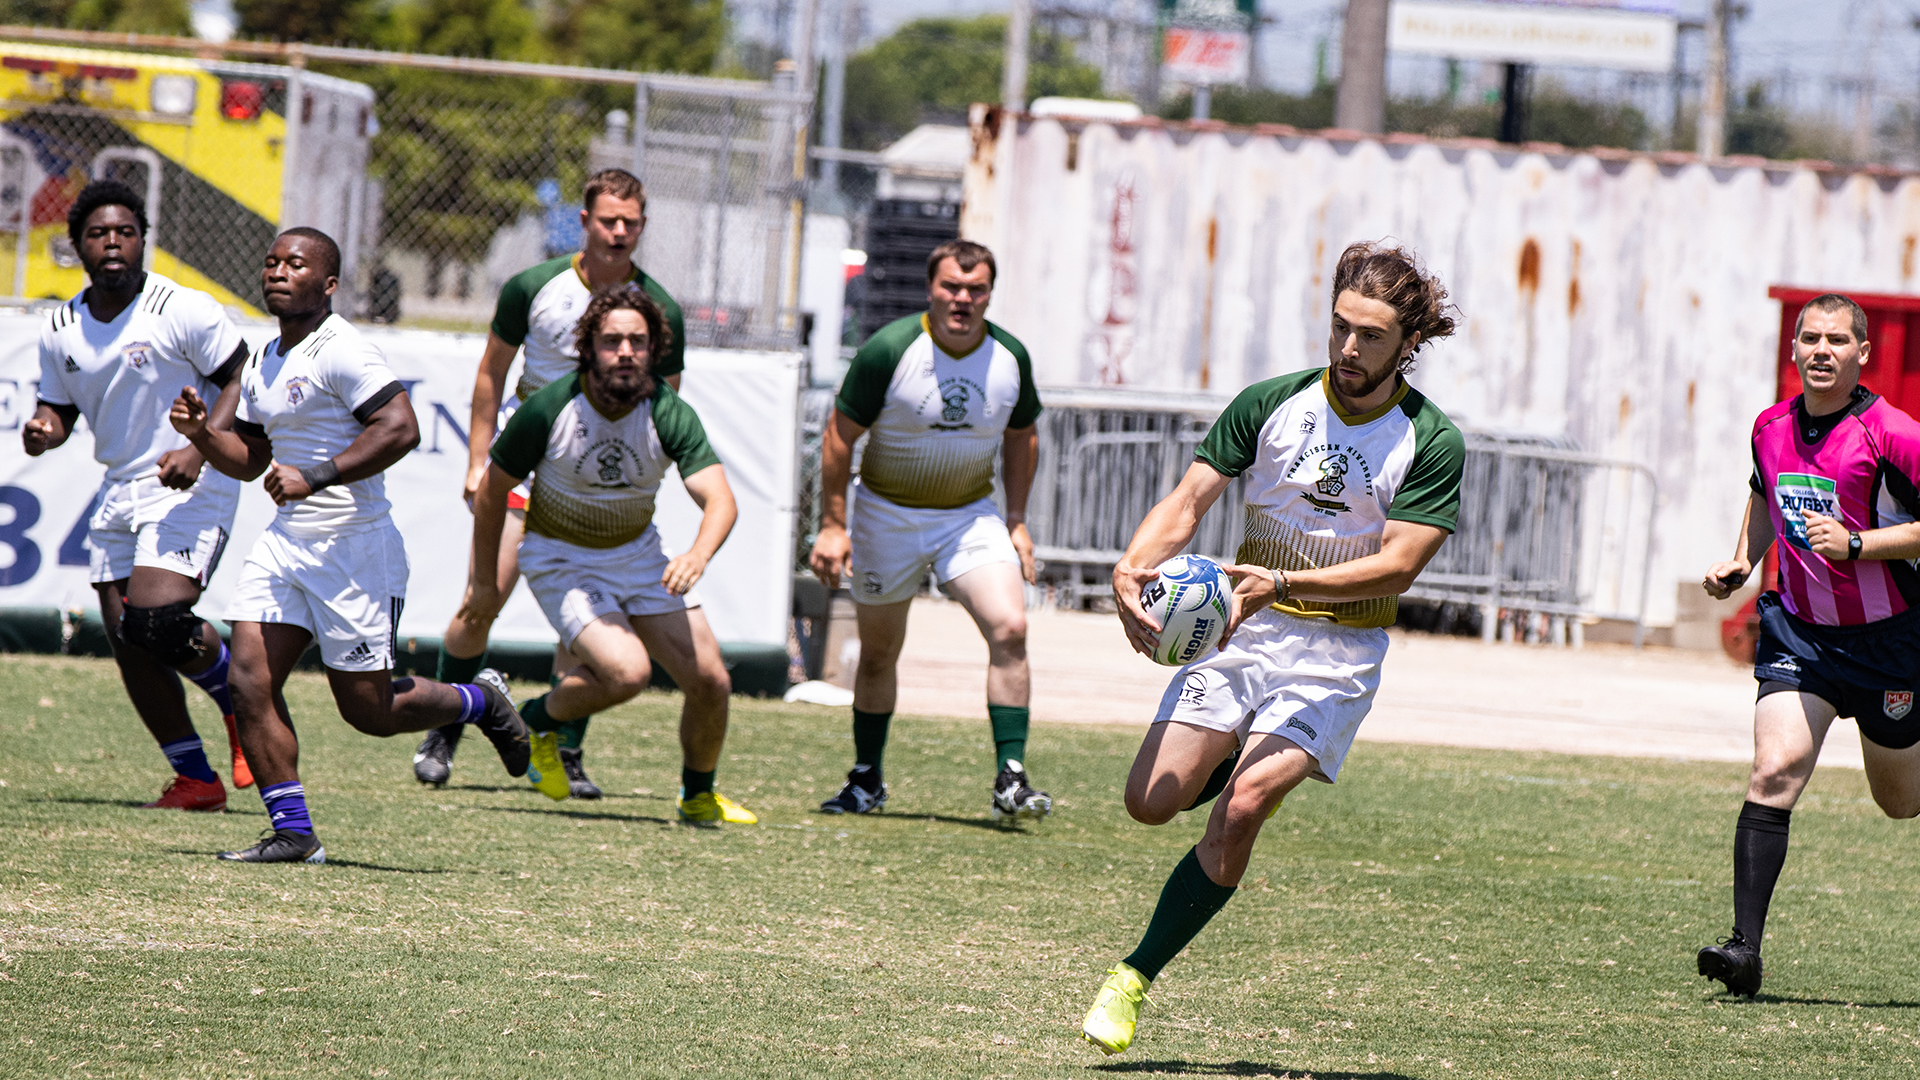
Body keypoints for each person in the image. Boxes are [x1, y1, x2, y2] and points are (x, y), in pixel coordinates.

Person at [1078, 241, 1465, 1055]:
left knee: (1243, 808)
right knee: (1149, 801)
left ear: (1408, 345)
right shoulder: (1272, 403)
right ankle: (1224, 756)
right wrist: (1133, 566)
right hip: (1243, 629)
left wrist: (1279, 587)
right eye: (1340, 329)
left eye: (1371, 337)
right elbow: (1188, 499)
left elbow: (1397, 564)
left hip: (1339, 652)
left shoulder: (1429, 440)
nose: (1349, 350)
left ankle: (1134, 975)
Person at [168, 228, 533, 864]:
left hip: (355, 549)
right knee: (250, 680)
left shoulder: (344, 351)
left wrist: (317, 474)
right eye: (272, 261)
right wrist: (203, 434)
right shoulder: (263, 359)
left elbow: (402, 427)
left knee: (369, 710)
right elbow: (252, 457)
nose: (279, 271)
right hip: (286, 546)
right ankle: (293, 832)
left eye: (297, 264)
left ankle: (479, 700)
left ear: (329, 284)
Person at [414, 168, 688, 799]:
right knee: (484, 597)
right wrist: (477, 460)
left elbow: (667, 406)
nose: (619, 232)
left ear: (642, 226)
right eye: (607, 220)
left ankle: (563, 748)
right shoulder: (535, 287)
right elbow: (491, 375)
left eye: (631, 222)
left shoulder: (659, 308)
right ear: (585, 222)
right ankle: (448, 725)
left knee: (589, 615)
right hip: (528, 457)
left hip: (598, 472)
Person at [459, 283, 755, 824]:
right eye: (612, 340)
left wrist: (698, 554)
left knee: (712, 680)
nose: (625, 352)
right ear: (588, 346)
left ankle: (697, 796)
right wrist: (483, 581)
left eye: (638, 342)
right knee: (627, 672)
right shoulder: (551, 407)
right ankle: (533, 718)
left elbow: (721, 500)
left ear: (654, 349)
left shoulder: (668, 412)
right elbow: (492, 491)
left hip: (639, 558)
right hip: (560, 559)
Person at [1696, 293, 1920, 998]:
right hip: (1799, 635)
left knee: (1900, 803)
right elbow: (1765, 495)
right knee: (1775, 769)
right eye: (1810, 339)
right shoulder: (1769, 426)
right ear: (1793, 350)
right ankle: (1744, 951)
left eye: (1837, 341)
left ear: (1863, 354)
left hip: (1890, 644)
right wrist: (1741, 559)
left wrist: (1858, 544)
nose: (1822, 351)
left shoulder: (1895, 434)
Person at [23, 179, 253, 811]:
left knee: (156, 620)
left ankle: (242, 702)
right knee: (128, 639)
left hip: (191, 477)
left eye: (125, 232)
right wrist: (46, 428)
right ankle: (196, 779)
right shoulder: (62, 326)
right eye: (99, 234)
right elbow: (59, 406)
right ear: (78, 247)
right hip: (121, 485)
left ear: (143, 240)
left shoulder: (182, 308)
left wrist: (200, 443)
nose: (114, 243)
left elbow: (241, 375)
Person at [807, 239, 1049, 820]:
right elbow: (839, 437)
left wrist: (1015, 519)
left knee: (1011, 627)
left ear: (990, 293)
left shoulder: (1009, 356)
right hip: (885, 515)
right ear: (931, 289)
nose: (963, 299)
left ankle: (1011, 778)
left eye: (976, 289)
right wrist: (834, 525)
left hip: (968, 516)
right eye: (951, 287)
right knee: (880, 652)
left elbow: (1023, 436)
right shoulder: (890, 349)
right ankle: (866, 779)